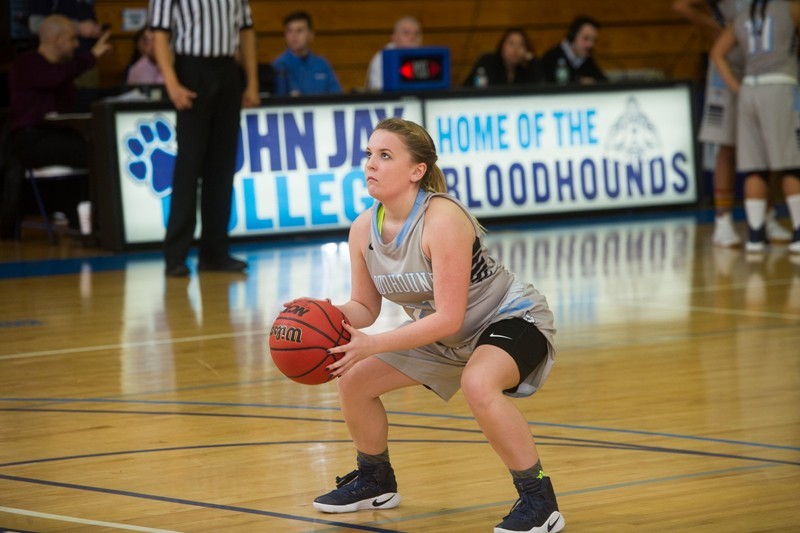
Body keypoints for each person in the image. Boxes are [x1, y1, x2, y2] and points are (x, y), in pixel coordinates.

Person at [293, 117, 564, 532]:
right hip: (446, 335)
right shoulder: (364, 228)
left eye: (386, 156)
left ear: (416, 171)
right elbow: (364, 307)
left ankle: (539, 500)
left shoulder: (442, 219)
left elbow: (449, 316)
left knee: (479, 384)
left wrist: (373, 344)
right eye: (369, 154)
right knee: (354, 381)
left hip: (509, 317)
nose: (371, 164)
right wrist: (318, 312)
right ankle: (375, 480)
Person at [149, 0, 260, 277]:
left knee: (222, 167)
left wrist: (252, 81)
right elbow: (159, 35)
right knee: (188, 166)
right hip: (191, 69)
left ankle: (215, 254)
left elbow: (246, 31)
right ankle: (175, 255)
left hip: (227, 69)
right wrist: (172, 84)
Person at [673, 0, 792, 247]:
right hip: (729, 61)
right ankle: (723, 219)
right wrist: (718, 27)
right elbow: (681, 6)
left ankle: (766, 215)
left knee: (768, 144)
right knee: (726, 143)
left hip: (760, 65)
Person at [1, 14, 111, 239]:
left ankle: (89, 219)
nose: (76, 45)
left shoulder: (61, 73)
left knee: (97, 147)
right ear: (57, 39)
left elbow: (73, 96)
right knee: (90, 151)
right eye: (72, 39)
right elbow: (54, 78)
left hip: (56, 136)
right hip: (30, 140)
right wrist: (91, 57)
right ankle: (90, 219)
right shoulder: (27, 63)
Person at [710, 0, 800, 253]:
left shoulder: (742, 15)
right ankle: (798, 233)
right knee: (791, 163)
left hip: (749, 88)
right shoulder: (791, 8)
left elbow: (717, 53)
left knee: (755, 168)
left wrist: (737, 87)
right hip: (780, 86)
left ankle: (755, 236)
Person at [28, 0, 106, 87]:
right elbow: (35, 24)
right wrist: (78, 28)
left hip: (87, 62)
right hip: (58, 65)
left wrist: (96, 32)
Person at [272, 11, 342, 96]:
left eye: (299, 31)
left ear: (311, 35)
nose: (294, 36)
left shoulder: (322, 64)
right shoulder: (278, 66)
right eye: (290, 31)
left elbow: (337, 95)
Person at [462, 28, 544, 87]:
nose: (516, 49)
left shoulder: (527, 68)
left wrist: (530, 58)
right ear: (502, 46)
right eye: (511, 44)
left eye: (521, 45)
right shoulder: (488, 62)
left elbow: (540, 86)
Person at [540, 15, 607, 85]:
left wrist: (594, 82)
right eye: (586, 38)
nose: (590, 45)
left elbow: (605, 83)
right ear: (572, 36)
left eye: (594, 40)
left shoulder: (587, 60)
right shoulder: (551, 58)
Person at [365, 16, 423, 91]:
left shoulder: (423, 57)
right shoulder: (383, 58)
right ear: (394, 38)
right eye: (406, 33)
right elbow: (378, 90)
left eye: (416, 34)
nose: (413, 37)